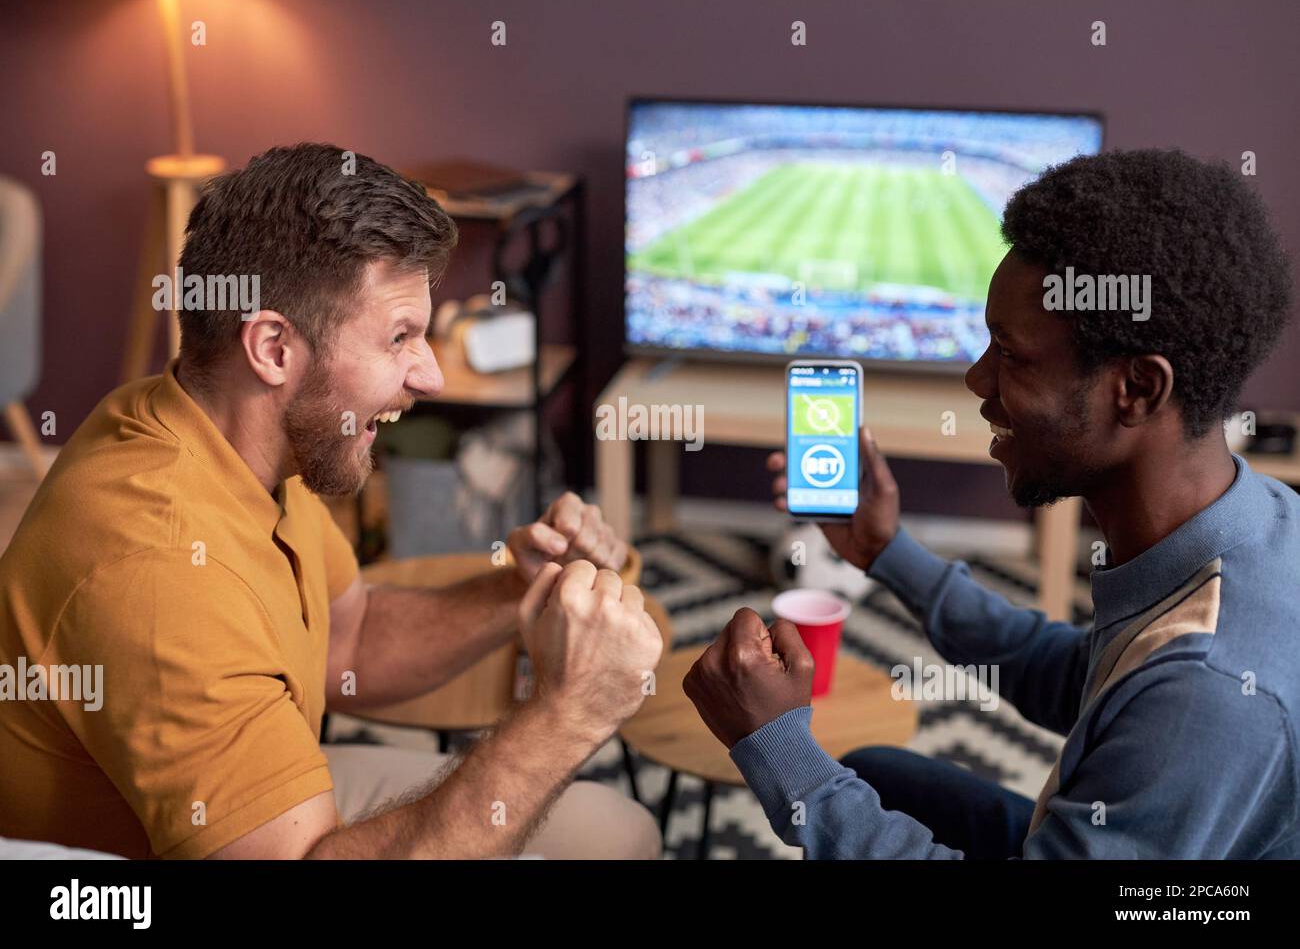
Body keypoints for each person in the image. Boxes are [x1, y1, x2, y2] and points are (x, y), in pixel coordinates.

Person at [0, 143, 663, 860]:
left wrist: (517, 590)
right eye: (400, 337)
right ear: (274, 349)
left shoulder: (230, 435)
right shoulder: (161, 572)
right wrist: (567, 712)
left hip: (255, 808)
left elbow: (349, 640)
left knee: (617, 833)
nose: (432, 374)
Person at [685, 148, 1299, 858]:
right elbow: (1082, 677)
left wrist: (778, 749)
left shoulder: (1208, 693)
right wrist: (888, 552)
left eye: (1011, 354)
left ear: (1137, 389)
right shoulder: (1251, 518)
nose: (977, 381)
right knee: (870, 774)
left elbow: (1164, 700)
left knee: (831, 784)